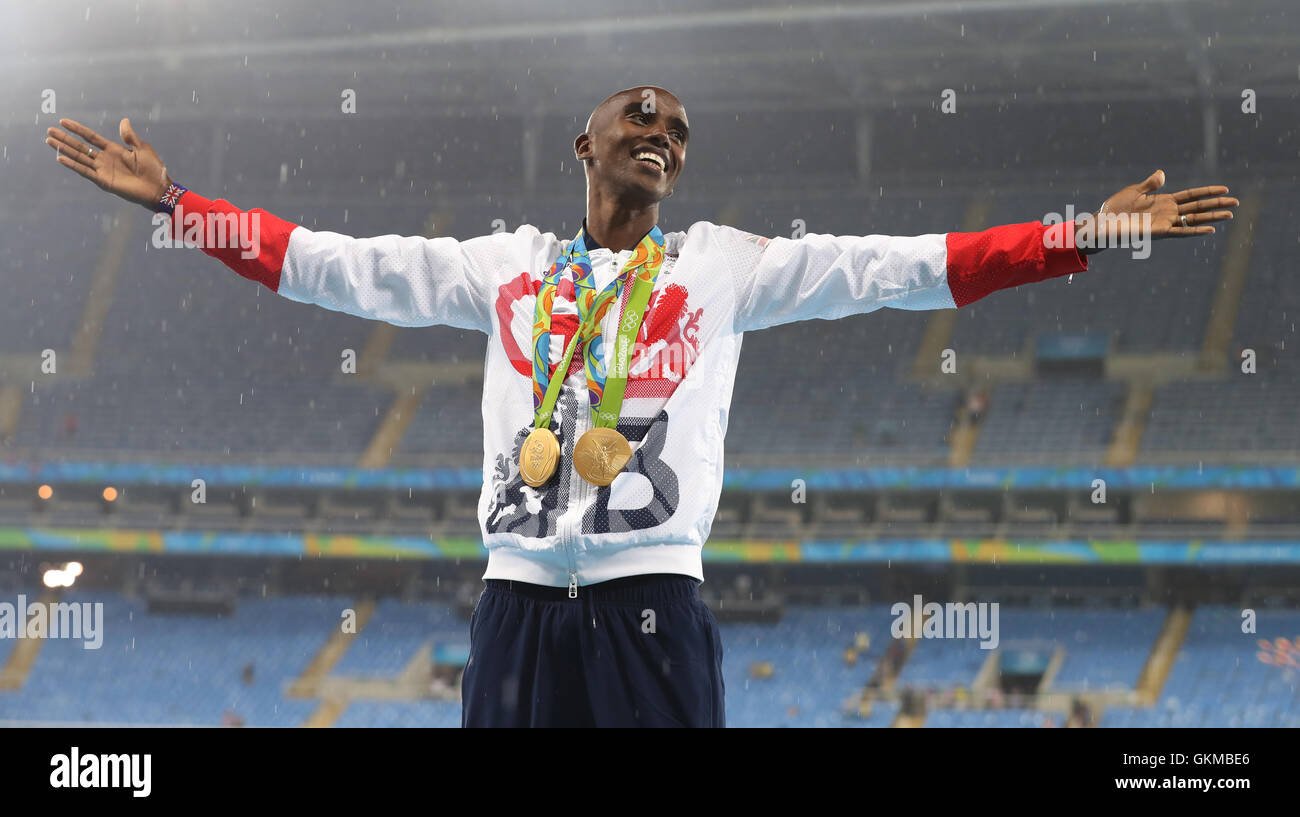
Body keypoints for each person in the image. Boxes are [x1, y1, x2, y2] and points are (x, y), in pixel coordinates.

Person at [44, 85, 1237, 728]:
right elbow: (328, 262)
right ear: (586, 142)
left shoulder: (722, 267)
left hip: (653, 602)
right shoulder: (500, 267)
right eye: (640, 120)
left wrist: (1078, 232)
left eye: (676, 131)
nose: (661, 136)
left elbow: (903, 265)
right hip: (513, 607)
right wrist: (179, 205)